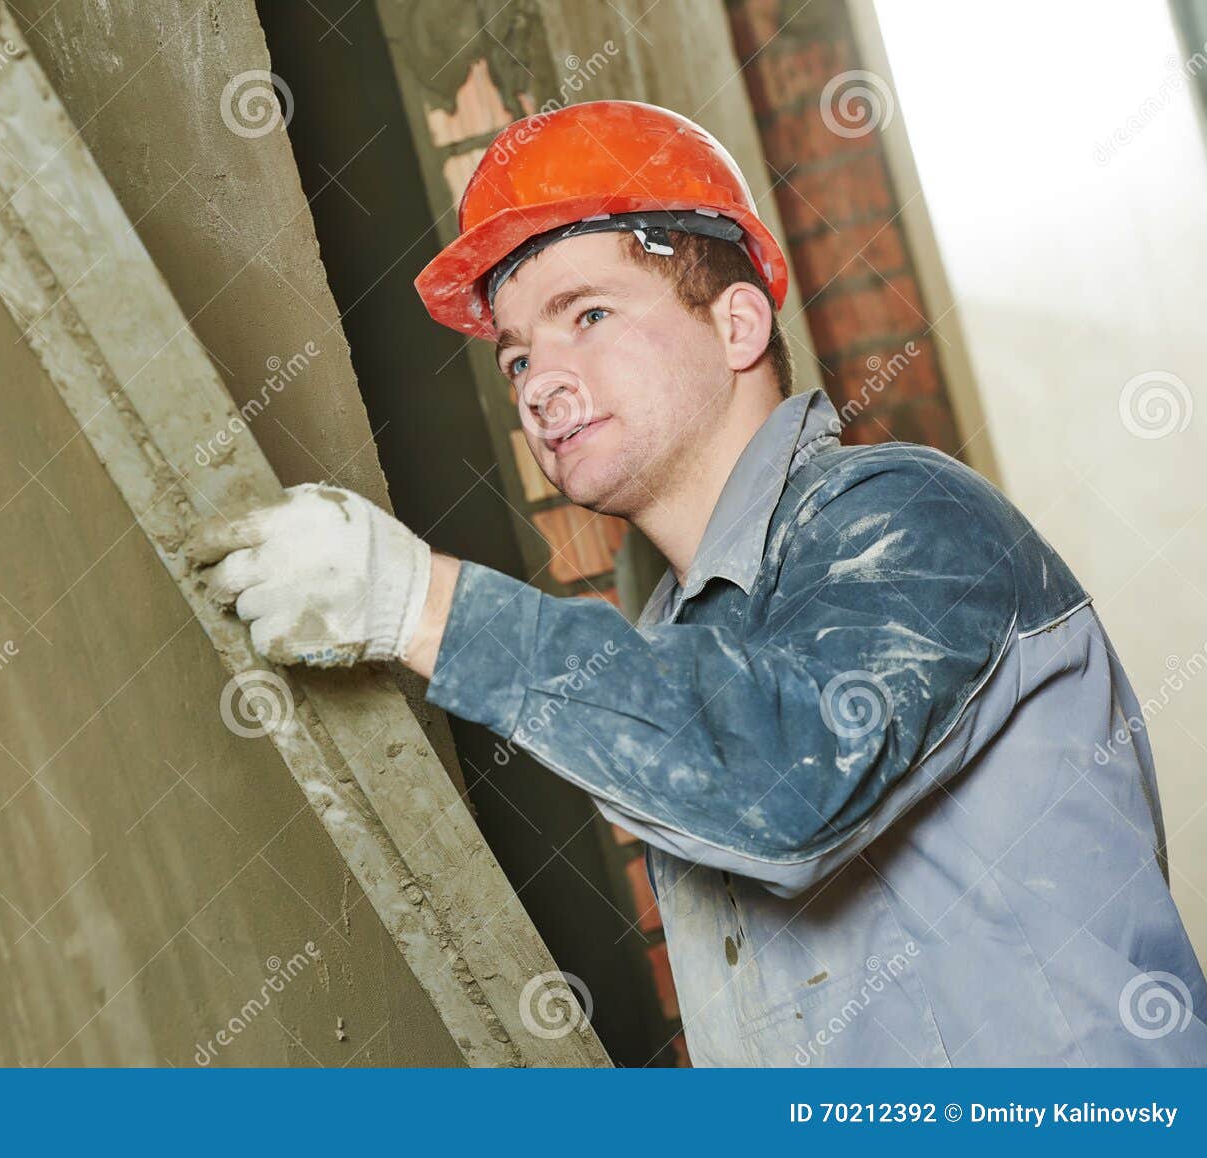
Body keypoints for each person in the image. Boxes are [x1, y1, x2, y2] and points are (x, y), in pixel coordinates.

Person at [186, 100, 1207, 1065]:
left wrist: (417, 603)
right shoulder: (681, 640)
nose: (538, 383)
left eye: (583, 314)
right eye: (514, 359)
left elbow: (788, 778)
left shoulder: (906, 518)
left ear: (736, 327)